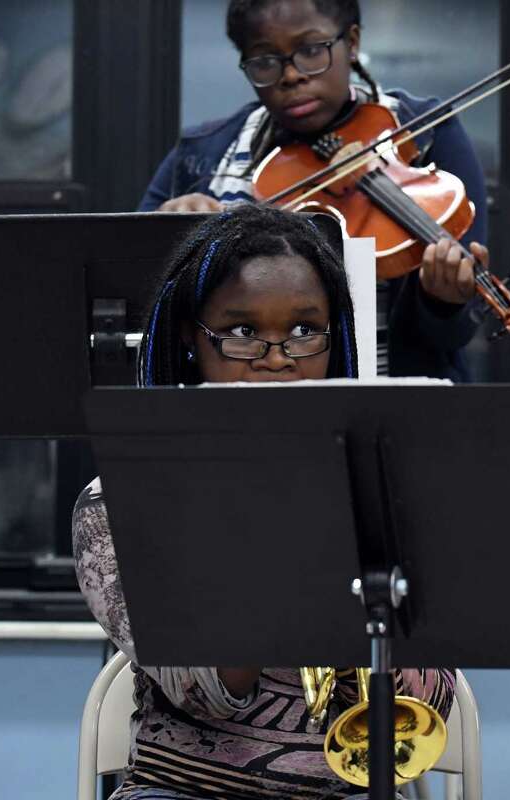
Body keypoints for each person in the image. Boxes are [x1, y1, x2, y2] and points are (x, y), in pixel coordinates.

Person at [73, 205, 454, 799]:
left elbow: (430, 700)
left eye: (305, 331)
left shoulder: (389, 484)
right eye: (243, 332)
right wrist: (275, 531)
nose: (278, 359)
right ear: (190, 338)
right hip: (183, 791)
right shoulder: (118, 501)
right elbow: (204, 689)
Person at [141, 0, 489, 381]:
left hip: (393, 410)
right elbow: (142, 302)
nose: (290, 75)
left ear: (351, 42)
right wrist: (171, 235)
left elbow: (453, 335)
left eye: (310, 51)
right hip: (232, 412)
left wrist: (442, 302)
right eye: (264, 60)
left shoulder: (423, 134)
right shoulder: (202, 154)